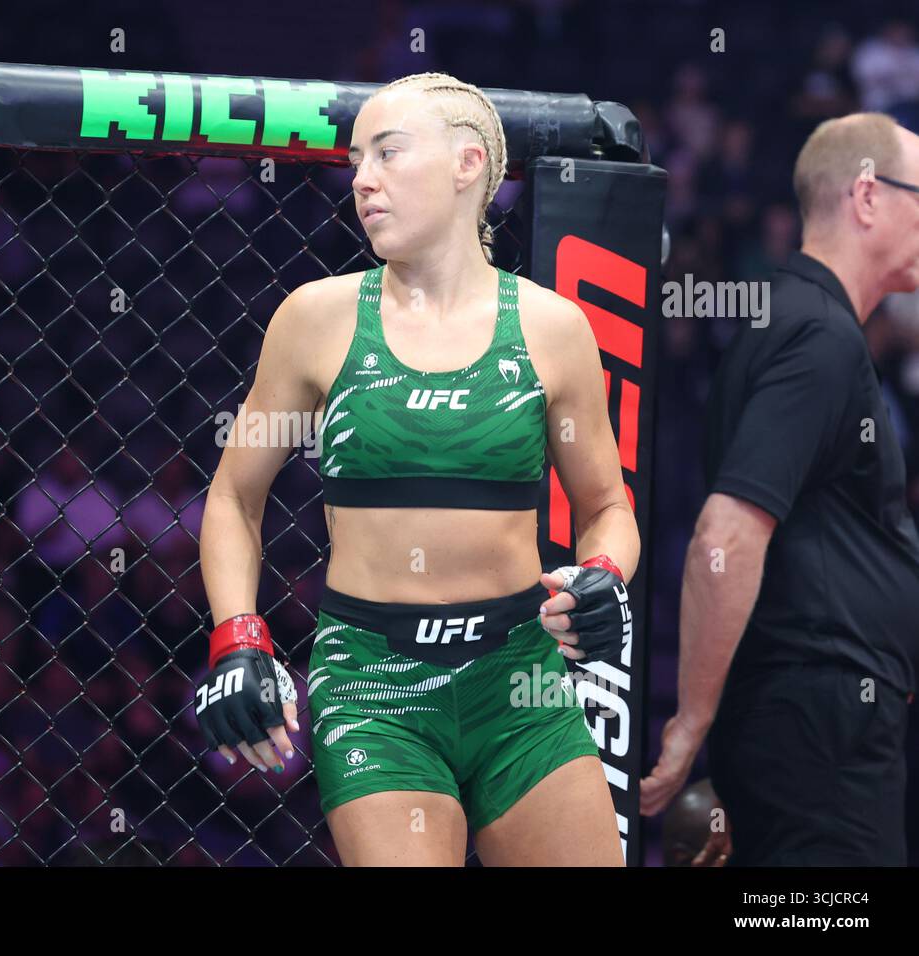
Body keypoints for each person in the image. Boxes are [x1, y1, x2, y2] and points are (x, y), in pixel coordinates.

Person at [193, 72, 639, 866]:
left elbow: (608, 504)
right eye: (357, 159)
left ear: (469, 164)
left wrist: (605, 572)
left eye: (389, 153)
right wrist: (237, 636)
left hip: (520, 683)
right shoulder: (317, 319)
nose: (363, 178)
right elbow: (235, 496)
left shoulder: (552, 327)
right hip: (375, 687)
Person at [641, 113, 919, 865]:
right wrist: (692, 721)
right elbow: (725, 534)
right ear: (868, 196)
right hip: (818, 728)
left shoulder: (789, 319)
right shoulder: (819, 336)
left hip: (813, 718)